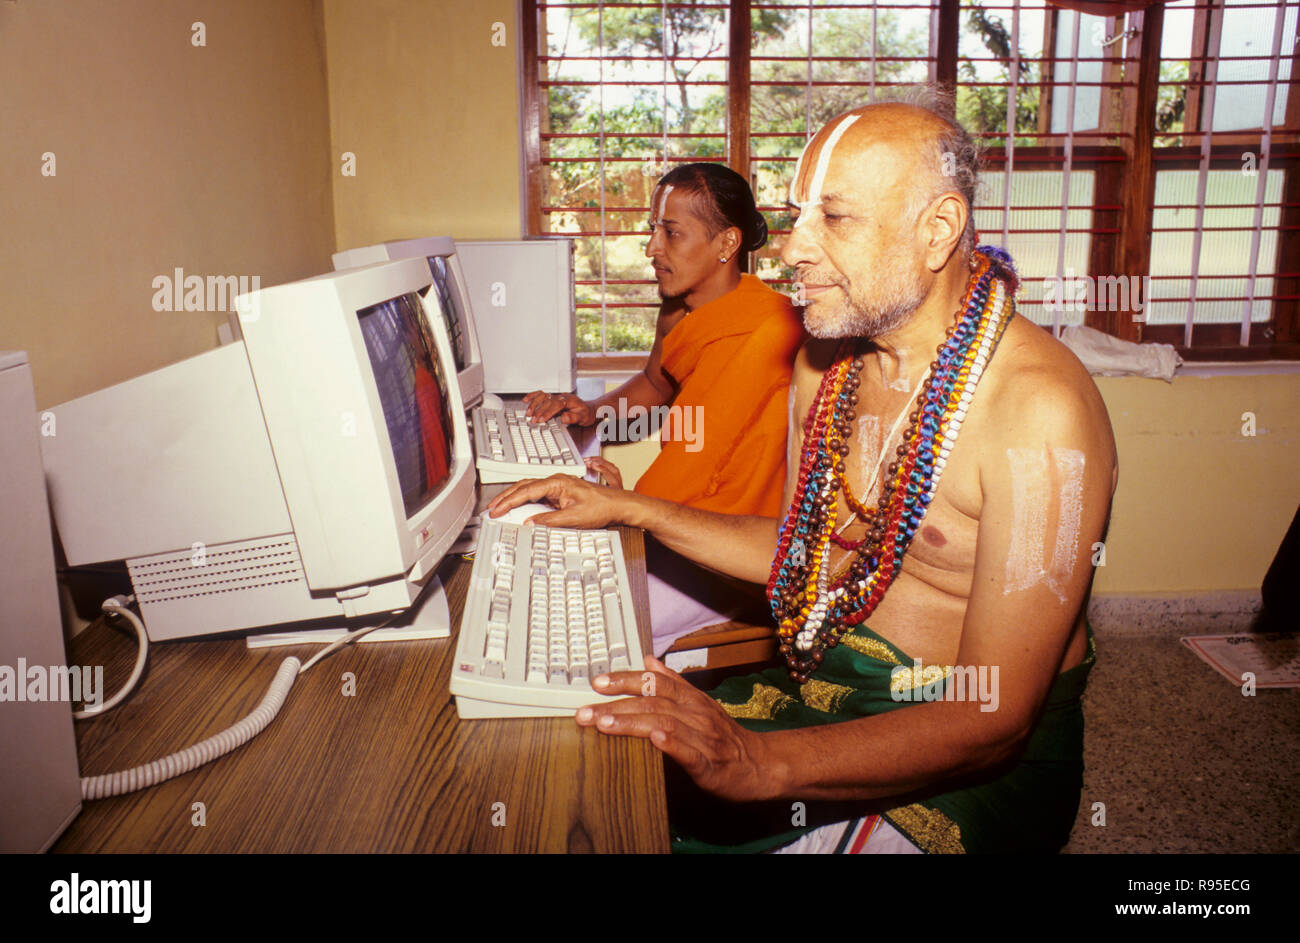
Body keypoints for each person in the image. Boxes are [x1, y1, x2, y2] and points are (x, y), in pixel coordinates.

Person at [490, 88, 1118, 854]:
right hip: (826, 687)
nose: (792, 249)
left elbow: (992, 720)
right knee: (599, 783)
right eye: (796, 214)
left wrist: (758, 760)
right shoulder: (827, 364)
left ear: (938, 230)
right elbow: (802, 549)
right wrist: (632, 511)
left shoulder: (1042, 413)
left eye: (836, 217)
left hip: (964, 764)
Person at [523, 163, 806, 655]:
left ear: (726, 243)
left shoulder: (783, 332)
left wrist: (628, 506)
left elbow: (728, 458)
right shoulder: (677, 310)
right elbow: (656, 383)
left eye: (671, 233)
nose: (653, 248)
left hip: (732, 549)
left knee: (589, 626)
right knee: (550, 585)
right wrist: (591, 412)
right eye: (654, 230)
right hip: (667, 519)